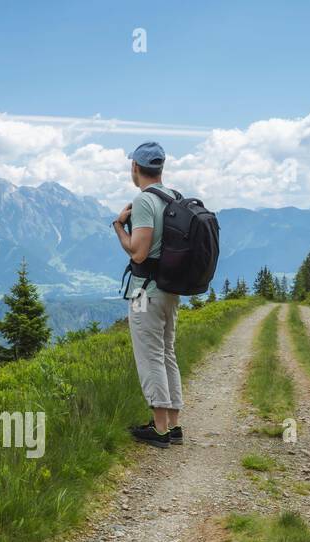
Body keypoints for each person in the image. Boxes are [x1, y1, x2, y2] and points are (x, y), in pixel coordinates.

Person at [112, 141, 183, 450]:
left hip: (145, 292)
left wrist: (118, 227)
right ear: (161, 168)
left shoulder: (144, 202)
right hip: (170, 290)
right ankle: (174, 425)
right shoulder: (174, 198)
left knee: (149, 355)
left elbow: (139, 253)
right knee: (167, 352)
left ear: (135, 168)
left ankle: (159, 429)